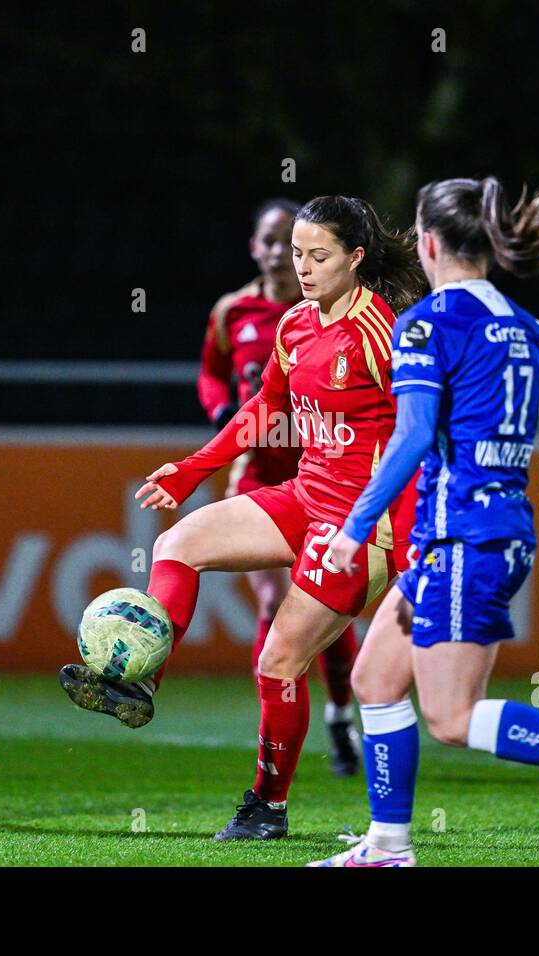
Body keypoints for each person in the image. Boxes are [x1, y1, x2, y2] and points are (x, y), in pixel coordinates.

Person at [307, 177, 539, 867]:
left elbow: (408, 439)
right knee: (375, 678)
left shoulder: (428, 324)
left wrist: (353, 527)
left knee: (453, 718)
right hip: (479, 535)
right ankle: (387, 845)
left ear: (429, 243)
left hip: (463, 536)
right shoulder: (526, 325)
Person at [60, 195, 425, 840]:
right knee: (177, 544)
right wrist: (191, 468)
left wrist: (404, 538)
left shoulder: (380, 336)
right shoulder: (295, 325)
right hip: (306, 495)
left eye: (319, 256)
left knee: (279, 660)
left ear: (356, 258)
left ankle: (267, 807)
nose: (303, 268)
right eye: (297, 254)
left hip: (360, 526)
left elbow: (422, 434)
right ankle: (142, 682)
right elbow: (262, 409)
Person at [196, 198, 363, 776]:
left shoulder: (329, 311)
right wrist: (221, 412)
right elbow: (213, 372)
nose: (280, 255)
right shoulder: (231, 311)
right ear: (256, 248)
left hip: (331, 481)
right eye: (272, 243)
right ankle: (278, 717)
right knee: (273, 598)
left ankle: (341, 713)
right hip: (263, 475)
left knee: (321, 610)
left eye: (294, 247)